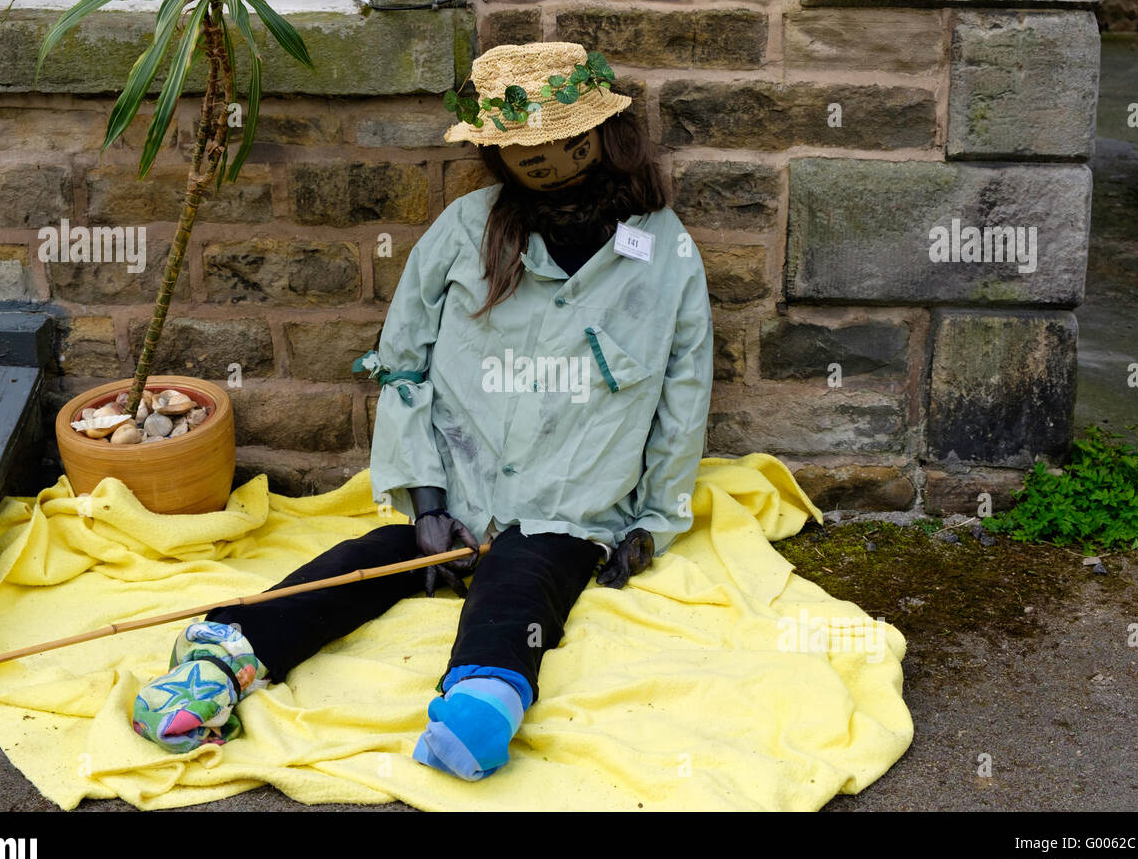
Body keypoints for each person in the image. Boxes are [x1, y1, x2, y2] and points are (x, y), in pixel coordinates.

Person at [131, 42, 715, 782]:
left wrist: (653, 521)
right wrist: (428, 500)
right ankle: (219, 663)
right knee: (359, 565)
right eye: (517, 144)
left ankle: (483, 700)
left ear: (598, 132)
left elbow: (682, 391)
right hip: (459, 494)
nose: (540, 157)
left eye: (558, 136)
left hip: (571, 502)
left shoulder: (662, 251)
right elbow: (402, 363)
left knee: (524, 583)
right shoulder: (466, 229)